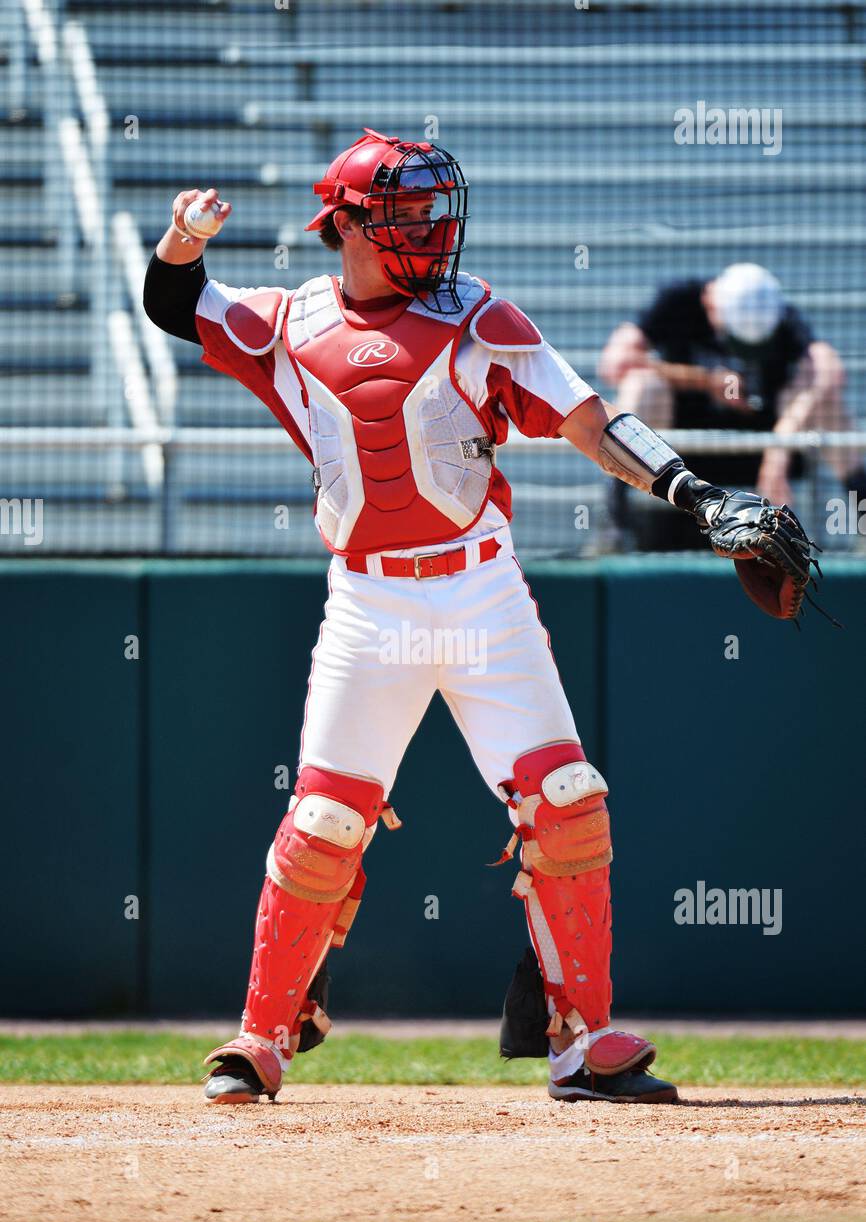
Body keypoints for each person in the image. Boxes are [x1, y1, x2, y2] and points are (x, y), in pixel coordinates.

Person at [143, 130, 781, 1108]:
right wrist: (182, 239)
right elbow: (175, 304)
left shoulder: (476, 314)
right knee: (322, 817)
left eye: (435, 210)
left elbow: (585, 418)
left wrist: (689, 488)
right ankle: (259, 1037)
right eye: (406, 214)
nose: (432, 230)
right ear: (346, 224)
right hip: (368, 595)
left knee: (564, 801)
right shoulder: (287, 322)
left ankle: (584, 1040)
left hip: (481, 587)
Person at [599, 263, 866, 550]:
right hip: (681, 458)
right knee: (642, 386)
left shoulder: (778, 317)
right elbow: (614, 363)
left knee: (828, 405)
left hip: (761, 456)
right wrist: (706, 381)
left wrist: (780, 444)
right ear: (713, 309)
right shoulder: (678, 302)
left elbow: (830, 370)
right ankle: (613, 526)